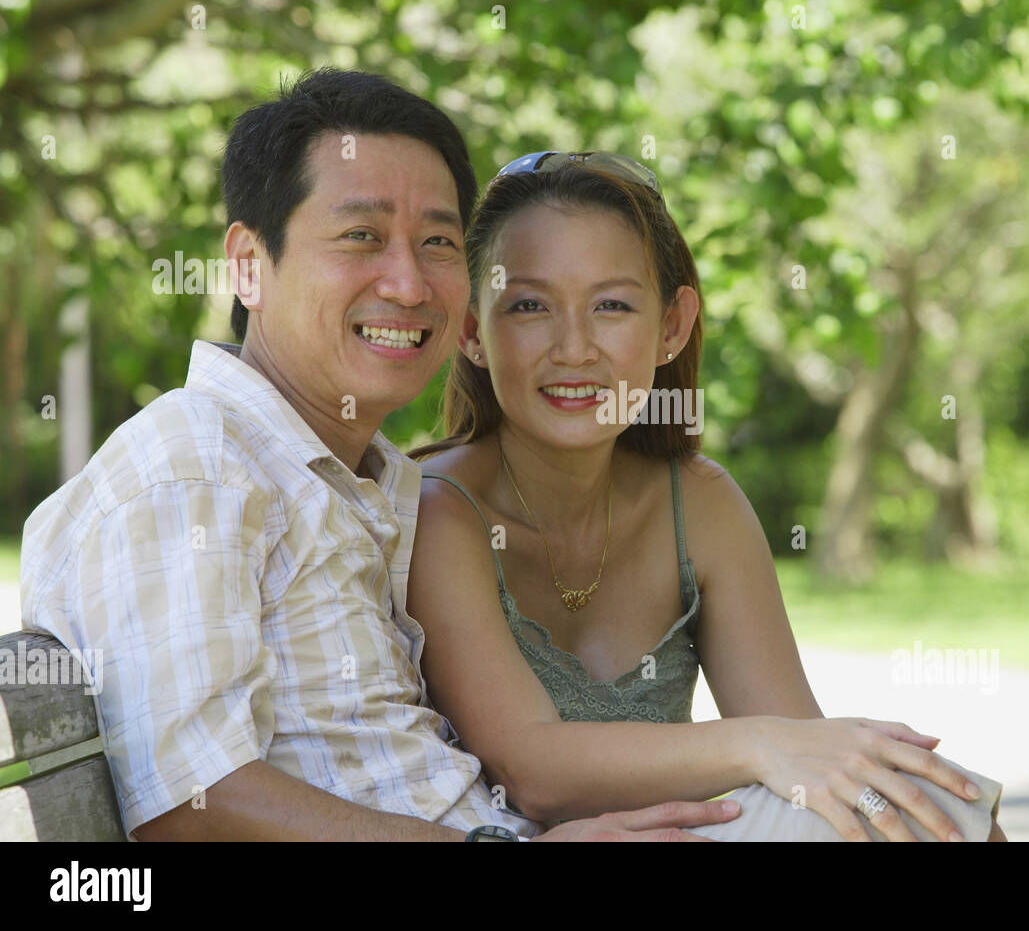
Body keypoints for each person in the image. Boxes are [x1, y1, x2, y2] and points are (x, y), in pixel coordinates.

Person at [18, 70, 743, 842]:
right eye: (361, 236)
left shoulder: (367, 481)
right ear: (249, 264)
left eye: (436, 242)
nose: (406, 282)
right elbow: (192, 802)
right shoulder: (191, 462)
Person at [407, 153, 1007, 841]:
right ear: (473, 331)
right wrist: (755, 743)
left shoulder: (698, 501)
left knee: (935, 813)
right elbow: (531, 768)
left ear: (672, 325)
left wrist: (877, 780)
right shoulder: (440, 510)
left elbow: (809, 759)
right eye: (529, 306)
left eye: (611, 305)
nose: (573, 348)